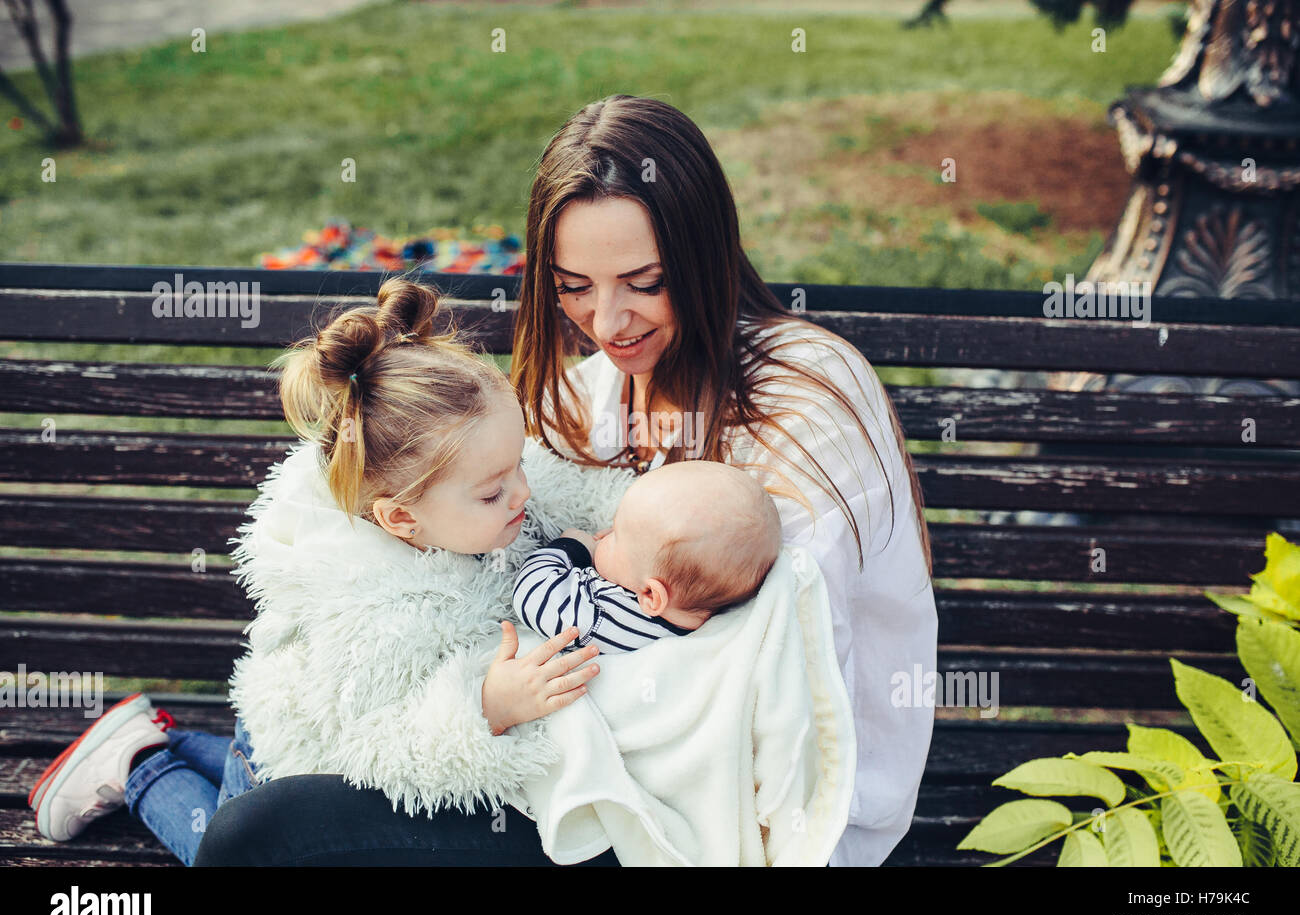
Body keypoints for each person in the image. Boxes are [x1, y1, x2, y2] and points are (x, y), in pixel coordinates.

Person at [198, 94, 937, 867]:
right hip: (586, 772)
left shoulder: (805, 399)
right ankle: (168, 766)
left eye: (643, 281)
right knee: (275, 804)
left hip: (719, 819)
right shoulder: (591, 395)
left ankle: (155, 769)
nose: (608, 321)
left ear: (703, 253)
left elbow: (777, 671)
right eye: (573, 286)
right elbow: (464, 545)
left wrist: (498, 701)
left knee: (264, 834)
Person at [29, 276, 628, 866]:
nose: (522, 494)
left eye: (517, 463)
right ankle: (143, 767)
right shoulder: (370, 616)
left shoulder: (485, 480)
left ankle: (172, 739)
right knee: (232, 849)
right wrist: (484, 708)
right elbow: (378, 752)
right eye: (494, 492)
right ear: (400, 519)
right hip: (305, 757)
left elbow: (585, 495)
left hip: (286, 749)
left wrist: (653, 528)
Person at [513, 459, 784, 653]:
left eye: (616, 535)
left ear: (651, 596)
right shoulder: (703, 610)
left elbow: (531, 594)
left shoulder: (603, 617)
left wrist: (573, 546)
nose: (603, 535)